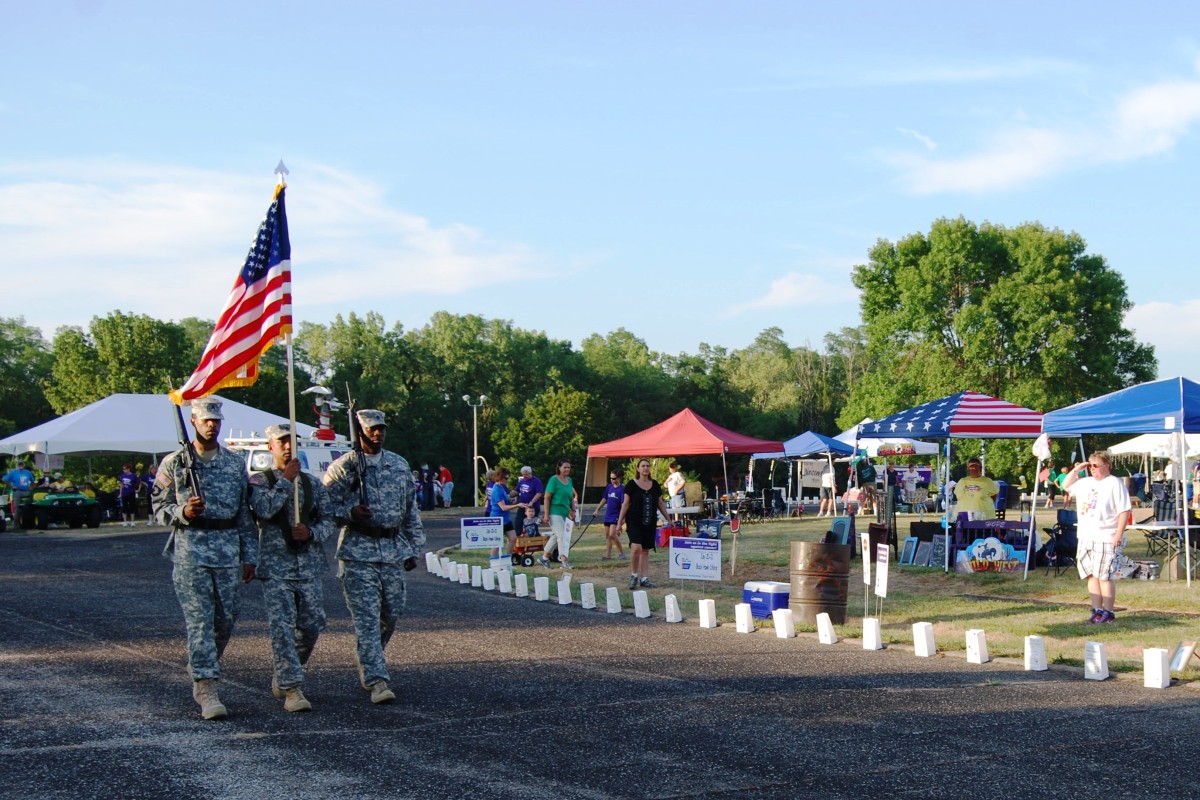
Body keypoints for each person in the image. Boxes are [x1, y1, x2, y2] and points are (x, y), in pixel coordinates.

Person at [152, 398, 257, 721]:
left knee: (225, 619)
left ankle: (202, 663)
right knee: (201, 621)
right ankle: (206, 687)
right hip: (192, 551)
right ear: (194, 422)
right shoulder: (175, 463)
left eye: (216, 420)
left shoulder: (234, 463)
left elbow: (244, 513)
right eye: (206, 420)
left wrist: (249, 555)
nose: (212, 425)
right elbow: (158, 508)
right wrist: (182, 511)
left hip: (227, 549)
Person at [322, 408, 425, 705]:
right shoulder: (344, 467)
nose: (377, 433)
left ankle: (369, 655)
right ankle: (377, 679)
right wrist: (349, 513)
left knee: (390, 614)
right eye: (371, 429)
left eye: (381, 428)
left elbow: (410, 510)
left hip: (392, 550)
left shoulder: (398, 464)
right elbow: (324, 509)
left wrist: (413, 547)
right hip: (358, 551)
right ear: (359, 432)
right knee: (366, 618)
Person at [248, 423, 335, 713]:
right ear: (270, 446)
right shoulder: (260, 481)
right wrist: (285, 481)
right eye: (281, 442)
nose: (287, 447)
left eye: (292, 442)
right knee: (283, 628)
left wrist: (311, 533)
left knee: (311, 626)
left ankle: (288, 670)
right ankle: (292, 688)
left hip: (308, 566)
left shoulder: (312, 484)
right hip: (276, 567)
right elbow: (264, 510)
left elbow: (328, 520)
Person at [1061, 451, 1131, 624]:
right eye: (1090, 466)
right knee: (1091, 575)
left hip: (1106, 536)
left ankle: (1109, 611)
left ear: (1106, 466)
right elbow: (1065, 485)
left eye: (1095, 466)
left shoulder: (1114, 483)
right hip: (1086, 536)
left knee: (1104, 576)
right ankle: (1097, 609)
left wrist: (1119, 534)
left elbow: (1124, 511)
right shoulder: (1085, 482)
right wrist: (1077, 469)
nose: (1092, 469)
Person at [616, 458, 672, 589]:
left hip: (650, 522)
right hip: (634, 521)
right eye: (643, 466)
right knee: (636, 547)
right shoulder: (631, 484)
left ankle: (644, 578)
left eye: (647, 466)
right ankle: (634, 575)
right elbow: (625, 504)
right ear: (638, 469)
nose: (645, 468)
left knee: (645, 550)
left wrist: (669, 520)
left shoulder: (655, 484)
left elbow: (660, 504)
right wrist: (619, 523)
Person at [540, 458, 577, 570]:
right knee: (562, 536)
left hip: (565, 512)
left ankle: (544, 558)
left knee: (556, 536)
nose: (567, 469)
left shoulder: (569, 480)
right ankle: (564, 561)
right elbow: (547, 498)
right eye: (565, 467)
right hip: (554, 512)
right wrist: (546, 514)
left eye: (568, 467)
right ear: (559, 468)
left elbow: (570, 497)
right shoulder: (554, 480)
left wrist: (573, 510)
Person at [489, 466, 526, 555]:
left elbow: (506, 501)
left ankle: (507, 558)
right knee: (497, 543)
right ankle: (493, 561)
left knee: (513, 538)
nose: (507, 480)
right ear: (500, 477)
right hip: (497, 519)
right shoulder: (496, 490)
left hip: (505, 519)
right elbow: (503, 507)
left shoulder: (502, 487)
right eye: (506, 478)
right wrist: (517, 505)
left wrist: (514, 501)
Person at [594, 469, 627, 561]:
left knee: (612, 534)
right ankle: (608, 555)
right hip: (608, 515)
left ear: (619, 478)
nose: (612, 480)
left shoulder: (622, 489)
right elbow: (604, 499)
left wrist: (622, 518)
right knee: (608, 536)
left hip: (616, 515)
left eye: (614, 478)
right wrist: (597, 509)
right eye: (611, 478)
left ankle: (622, 553)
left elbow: (623, 504)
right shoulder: (609, 487)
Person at [3, 460, 35, 528]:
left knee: (32, 504)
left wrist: (31, 487)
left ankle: (32, 521)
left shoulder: (28, 472)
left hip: (26, 491)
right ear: (17, 465)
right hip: (17, 491)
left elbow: (33, 481)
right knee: (16, 507)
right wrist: (11, 486)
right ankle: (16, 523)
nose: (21, 466)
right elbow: (4, 479)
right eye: (19, 464)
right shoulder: (13, 472)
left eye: (22, 464)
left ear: (24, 465)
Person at [514, 466, 544, 532]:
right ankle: (518, 535)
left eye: (525, 474)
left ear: (530, 473)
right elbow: (517, 490)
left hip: (532, 507)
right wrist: (511, 494)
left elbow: (539, 493)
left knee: (532, 524)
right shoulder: (522, 481)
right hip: (522, 506)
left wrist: (532, 502)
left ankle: (533, 536)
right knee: (518, 523)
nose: (524, 476)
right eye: (523, 474)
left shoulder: (536, 481)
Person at [118, 463, 139, 527]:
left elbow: (138, 483)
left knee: (132, 507)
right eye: (123, 469)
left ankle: (132, 521)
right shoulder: (122, 476)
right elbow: (121, 485)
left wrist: (137, 490)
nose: (124, 470)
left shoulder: (133, 475)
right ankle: (125, 521)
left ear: (128, 469)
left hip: (131, 493)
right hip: (124, 493)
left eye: (125, 469)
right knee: (124, 507)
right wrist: (120, 493)